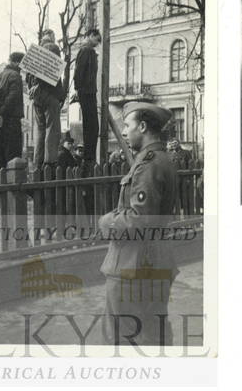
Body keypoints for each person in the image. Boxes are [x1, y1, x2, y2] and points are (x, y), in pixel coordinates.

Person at [98, 102, 178, 346]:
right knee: (153, 336)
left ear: (142, 127)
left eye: (127, 125)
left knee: (120, 342)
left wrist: (106, 221)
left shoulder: (149, 164)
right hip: (153, 262)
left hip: (133, 267)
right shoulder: (160, 159)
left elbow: (138, 219)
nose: (123, 132)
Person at [28, 29, 65, 173]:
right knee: (52, 128)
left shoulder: (35, 50)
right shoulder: (52, 47)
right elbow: (52, 70)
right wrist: (40, 84)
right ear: (51, 36)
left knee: (41, 129)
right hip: (49, 93)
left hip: (36, 97)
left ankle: (38, 163)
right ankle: (49, 163)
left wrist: (35, 86)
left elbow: (28, 77)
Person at [0, 52, 25, 169]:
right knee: (13, 160)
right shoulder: (15, 76)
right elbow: (13, 98)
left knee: (0, 159)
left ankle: (2, 185)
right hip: (11, 122)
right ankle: (11, 187)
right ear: (17, 63)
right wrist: (1, 114)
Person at [74, 28, 101, 165]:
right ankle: (89, 158)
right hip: (87, 92)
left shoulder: (88, 51)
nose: (97, 43)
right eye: (96, 40)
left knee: (92, 126)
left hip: (89, 92)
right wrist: (79, 90)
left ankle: (89, 157)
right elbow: (78, 73)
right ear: (91, 36)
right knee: (92, 127)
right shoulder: (86, 51)